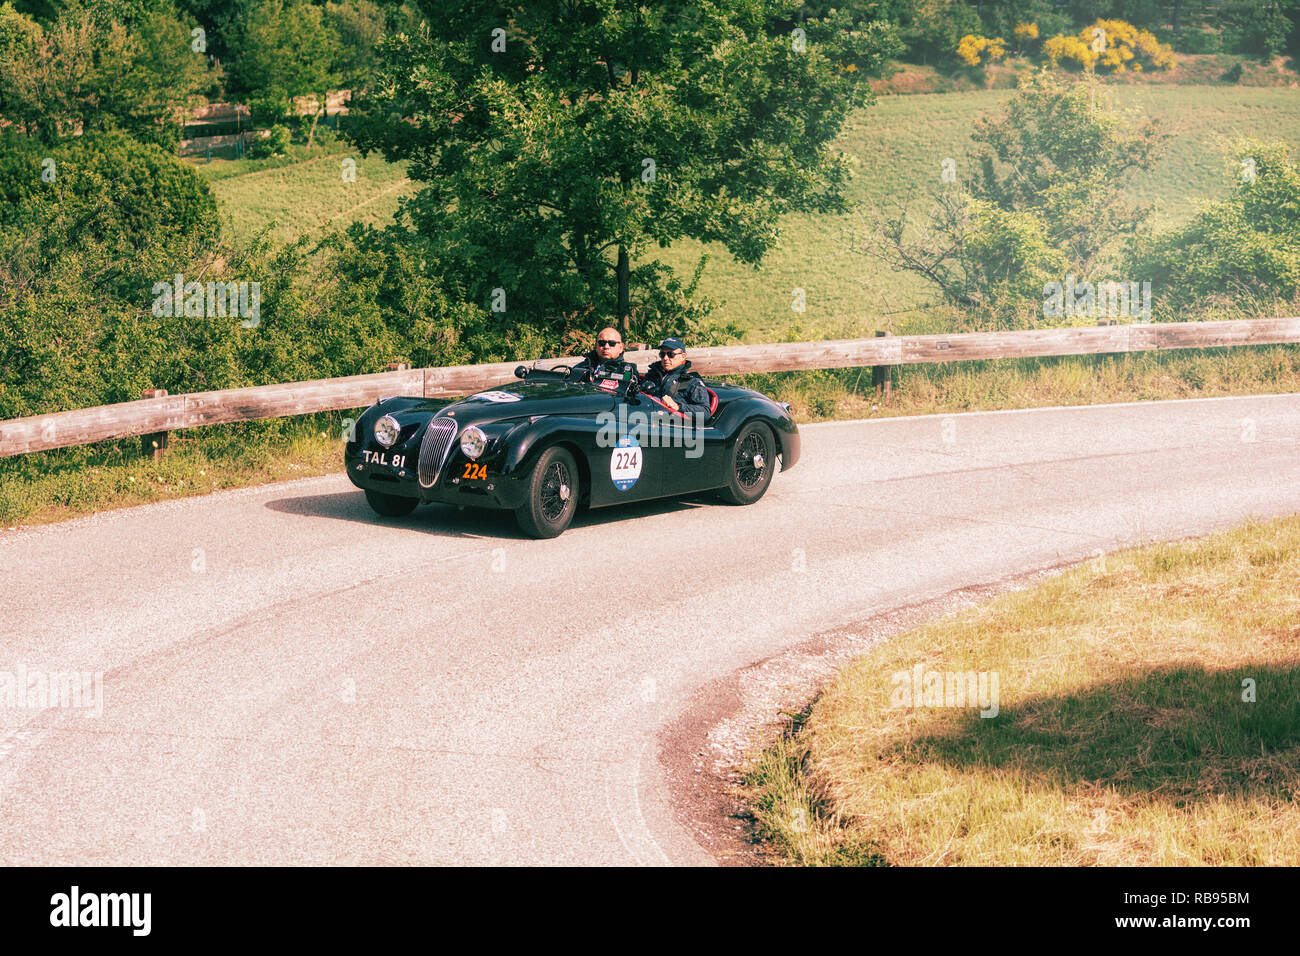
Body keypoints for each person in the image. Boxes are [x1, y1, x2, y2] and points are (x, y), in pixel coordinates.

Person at [639, 337, 711, 420]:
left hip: (672, 426)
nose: (665, 358)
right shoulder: (652, 376)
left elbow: (705, 412)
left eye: (670, 354)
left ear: (683, 356)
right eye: (662, 355)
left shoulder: (692, 382)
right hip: (645, 418)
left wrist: (677, 406)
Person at [568, 327, 637, 383]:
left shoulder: (629, 371)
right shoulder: (582, 366)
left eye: (612, 343)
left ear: (621, 347)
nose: (606, 347)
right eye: (602, 343)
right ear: (596, 346)